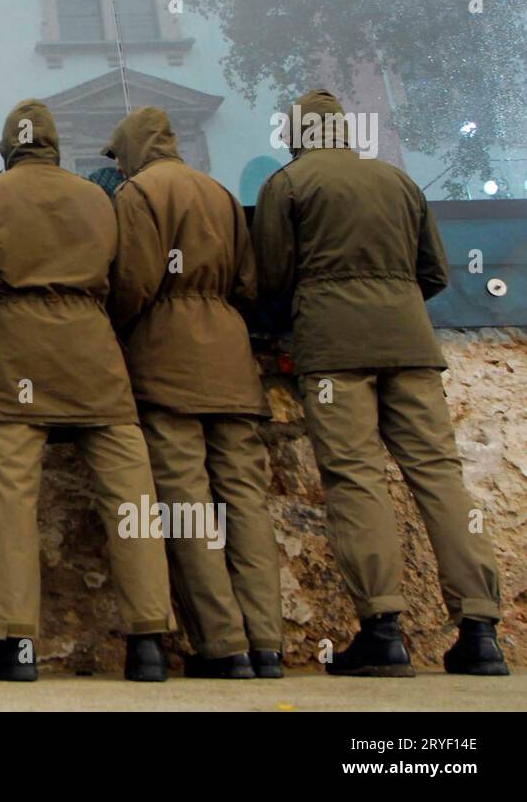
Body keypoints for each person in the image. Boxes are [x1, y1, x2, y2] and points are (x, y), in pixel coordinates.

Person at [253, 89, 507, 677]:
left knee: (355, 478)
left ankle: (383, 630)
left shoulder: (288, 185)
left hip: (334, 347)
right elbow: (434, 272)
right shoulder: (398, 181)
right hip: (412, 346)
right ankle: (480, 630)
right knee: (440, 475)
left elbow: (272, 275)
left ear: (297, 134)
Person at [0, 99, 172, 682]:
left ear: (9, 145)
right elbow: (130, 284)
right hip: (93, 350)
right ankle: (149, 643)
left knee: (10, 499)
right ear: (55, 144)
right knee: (131, 496)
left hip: (18, 351)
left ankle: (15, 646)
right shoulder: (99, 198)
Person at [107, 107, 283, 679]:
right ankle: (267, 645)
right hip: (231, 361)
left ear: (131, 148)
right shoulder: (221, 192)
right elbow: (248, 283)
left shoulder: (138, 193)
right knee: (246, 505)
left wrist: (124, 326)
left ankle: (222, 646)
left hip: (167, 362)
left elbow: (134, 282)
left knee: (187, 508)